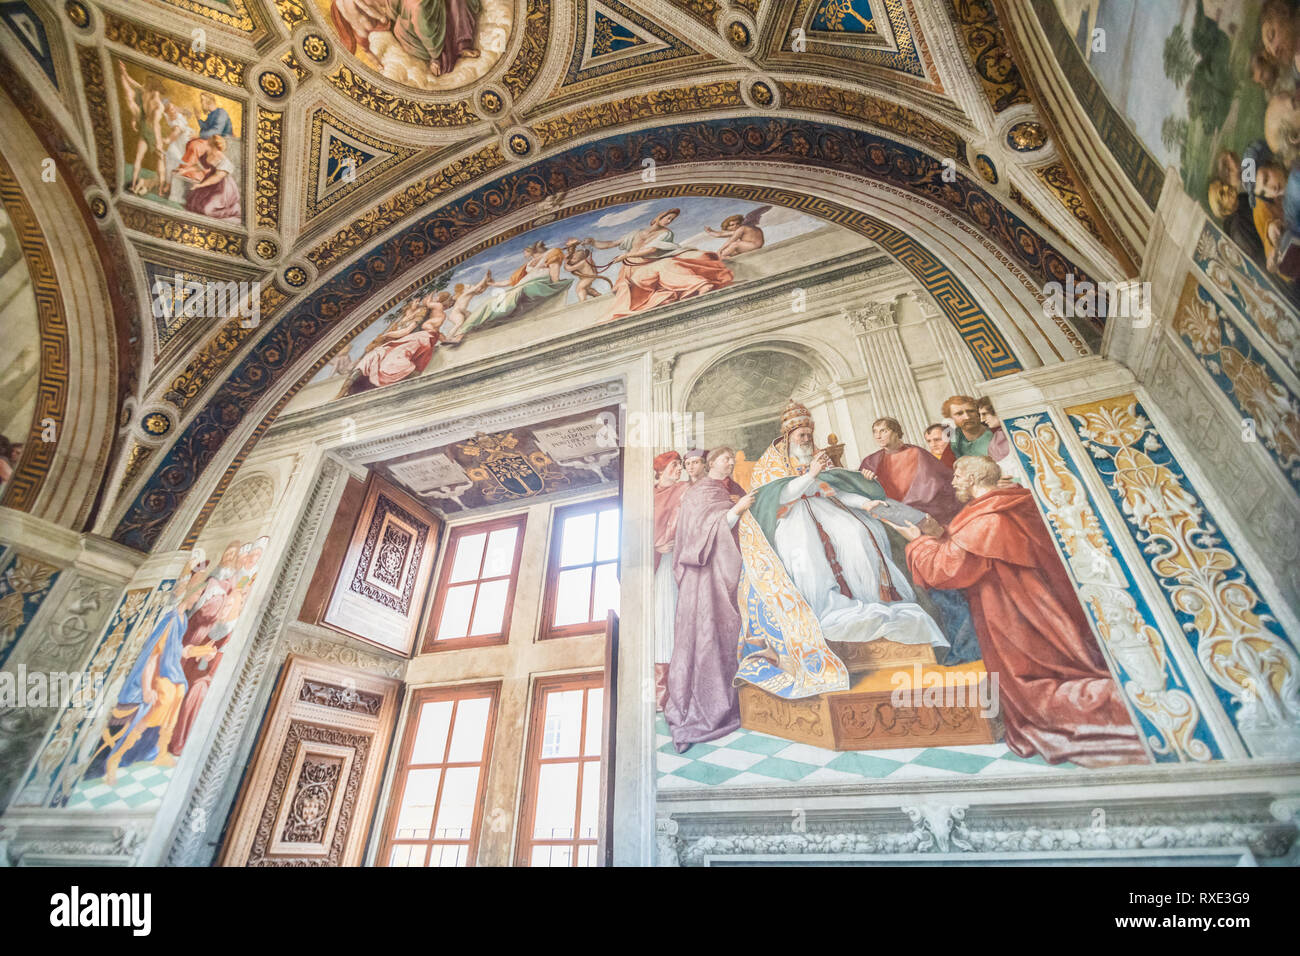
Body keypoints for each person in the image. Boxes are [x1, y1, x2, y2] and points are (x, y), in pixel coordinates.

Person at [892, 456, 1148, 768]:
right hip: (1036, 606)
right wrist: (940, 534)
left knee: (1030, 684)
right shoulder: (1008, 505)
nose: (953, 480)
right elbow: (969, 549)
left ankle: (1111, 708)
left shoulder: (989, 519)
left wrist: (918, 543)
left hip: (1012, 614)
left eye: (958, 475)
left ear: (973, 477)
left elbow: (947, 568)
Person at [746, 400, 948, 651]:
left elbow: (837, 491)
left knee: (858, 533)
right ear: (788, 436)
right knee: (805, 552)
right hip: (792, 518)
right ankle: (822, 611)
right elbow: (782, 496)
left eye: (809, 434)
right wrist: (810, 474)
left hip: (829, 510)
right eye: (801, 435)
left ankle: (872, 599)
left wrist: (865, 503)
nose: (807, 439)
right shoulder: (772, 462)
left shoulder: (818, 456)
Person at [665, 447, 755, 752]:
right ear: (712, 463)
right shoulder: (701, 492)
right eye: (725, 458)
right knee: (706, 635)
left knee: (726, 633)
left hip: (722, 571)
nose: (730, 462)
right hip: (703, 577)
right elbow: (704, 533)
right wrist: (737, 510)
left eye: (731, 458)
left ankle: (729, 698)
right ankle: (705, 706)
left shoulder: (724, 489)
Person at [585, 208, 734, 321]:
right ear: (659, 217)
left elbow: (653, 249)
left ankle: (699, 284)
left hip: (647, 264)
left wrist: (627, 255)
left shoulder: (666, 234)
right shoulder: (636, 233)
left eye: (671, 220)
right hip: (631, 271)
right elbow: (610, 244)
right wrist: (593, 242)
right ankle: (696, 285)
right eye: (667, 218)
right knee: (662, 268)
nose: (669, 221)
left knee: (667, 265)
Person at [859, 417, 961, 524]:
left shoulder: (917, 453)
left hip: (924, 510)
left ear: (896, 432)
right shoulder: (870, 461)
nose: (878, 436)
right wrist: (869, 482)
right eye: (875, 432)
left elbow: (945, 480)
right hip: (890, 513)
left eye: (883, 431)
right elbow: (862, 492)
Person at [652, 451, 688, 712]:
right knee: (659, 623)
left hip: (678, 561)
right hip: (654, 564)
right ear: (662, 470)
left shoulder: (685, 489)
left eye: (681, 465)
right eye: (675, 465)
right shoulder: (646, 497)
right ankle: (661, 692)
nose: (679, 469)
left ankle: (681, 691)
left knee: (676, 621)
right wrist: (655, 547)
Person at [942, 394, 1010, 460]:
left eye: (971, 411)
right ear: (950, 418)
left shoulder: (998, 430)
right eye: (959, 414)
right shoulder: (953, 445)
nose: (967, 417)